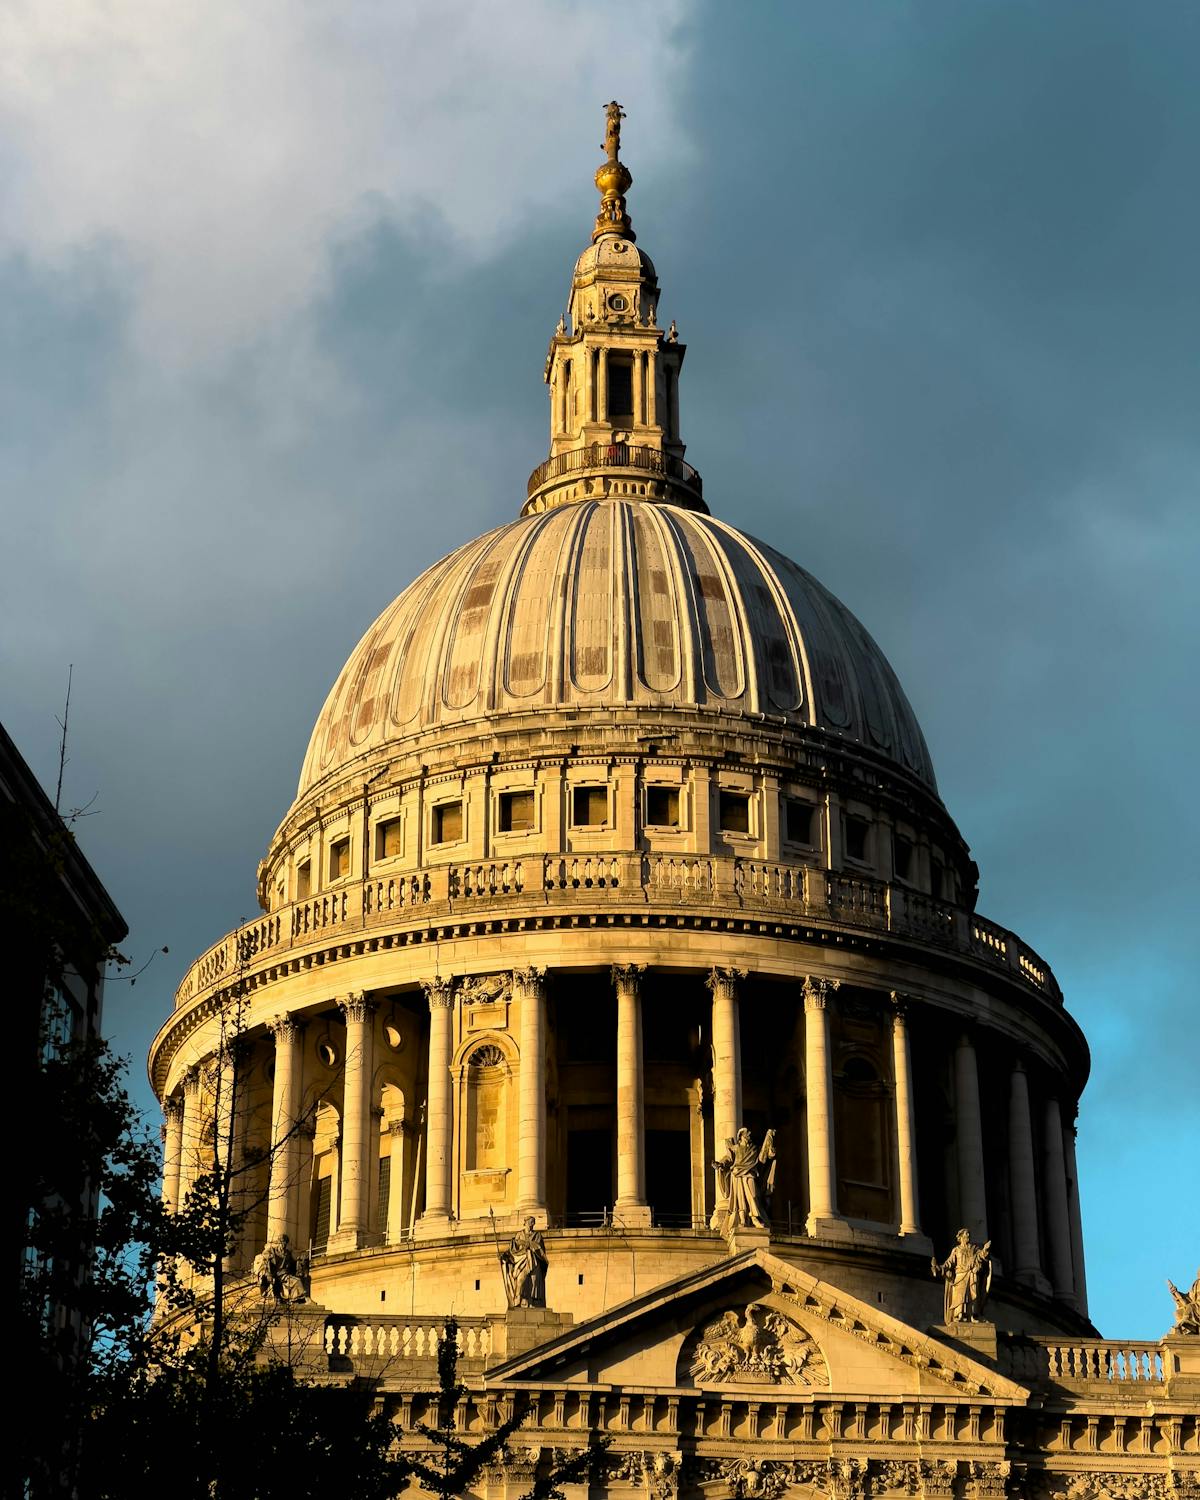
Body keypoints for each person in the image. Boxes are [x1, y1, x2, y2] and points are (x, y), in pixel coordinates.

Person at [933, 1228, 991, 1322]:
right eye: (966, 1234)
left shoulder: (974, 1248)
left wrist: (985, 1249)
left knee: (973, 1295)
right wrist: (940, 1268)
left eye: (968, 1234)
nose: (968, 1236)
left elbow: (981, 1256)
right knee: (960, 1296)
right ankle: (960, 1315)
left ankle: (973, 1315)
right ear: (960, 1237)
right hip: (960, 1274)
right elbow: (949, 1262)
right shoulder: (956, 1250)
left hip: (972, 1274)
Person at [500, 1217, 548, 1307]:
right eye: (530, 1222)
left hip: (535, 1261)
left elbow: (541, 1251)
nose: (531, 1224)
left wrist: (532, 1246)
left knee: (535, 1282)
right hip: (521, 1261)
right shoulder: (519, 1235)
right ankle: (518, 1301)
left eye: (533, 1223)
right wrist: (505, 1256)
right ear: (525, 1223)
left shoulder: (537, 1235)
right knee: (521, 1280)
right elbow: (513, 1250)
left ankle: (534, 1302)